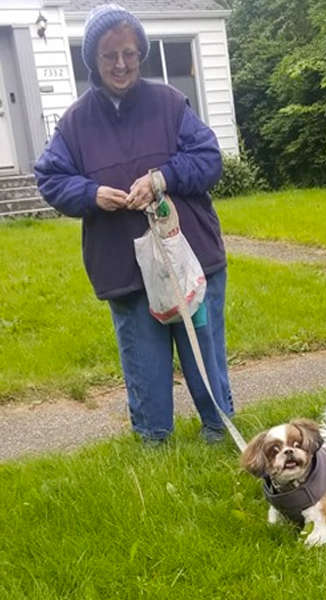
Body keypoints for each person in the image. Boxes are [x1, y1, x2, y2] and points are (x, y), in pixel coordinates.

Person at [34, 4, 233, 446]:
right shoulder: (74, 123)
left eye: (129, 53)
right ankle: (154, 443)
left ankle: (220, 433)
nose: (121, 64)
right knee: (144, 364)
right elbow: (50, 177)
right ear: (93, 61)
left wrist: (162, 178)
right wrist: (90, 194)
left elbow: (208, 158)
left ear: (140, 53)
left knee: (203, 355)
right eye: (109, 56)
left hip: (189, 261)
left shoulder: (169, 103)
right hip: (124, 268)